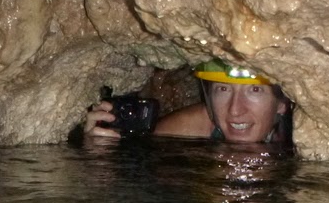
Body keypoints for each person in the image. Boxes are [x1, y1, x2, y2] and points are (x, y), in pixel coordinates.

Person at [83, 58, 293, 146]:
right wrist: (100, 157)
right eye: (223, 89)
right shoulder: (181, 130)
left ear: (282, 102)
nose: (235, 110)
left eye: (255, 90)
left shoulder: (303, 137)